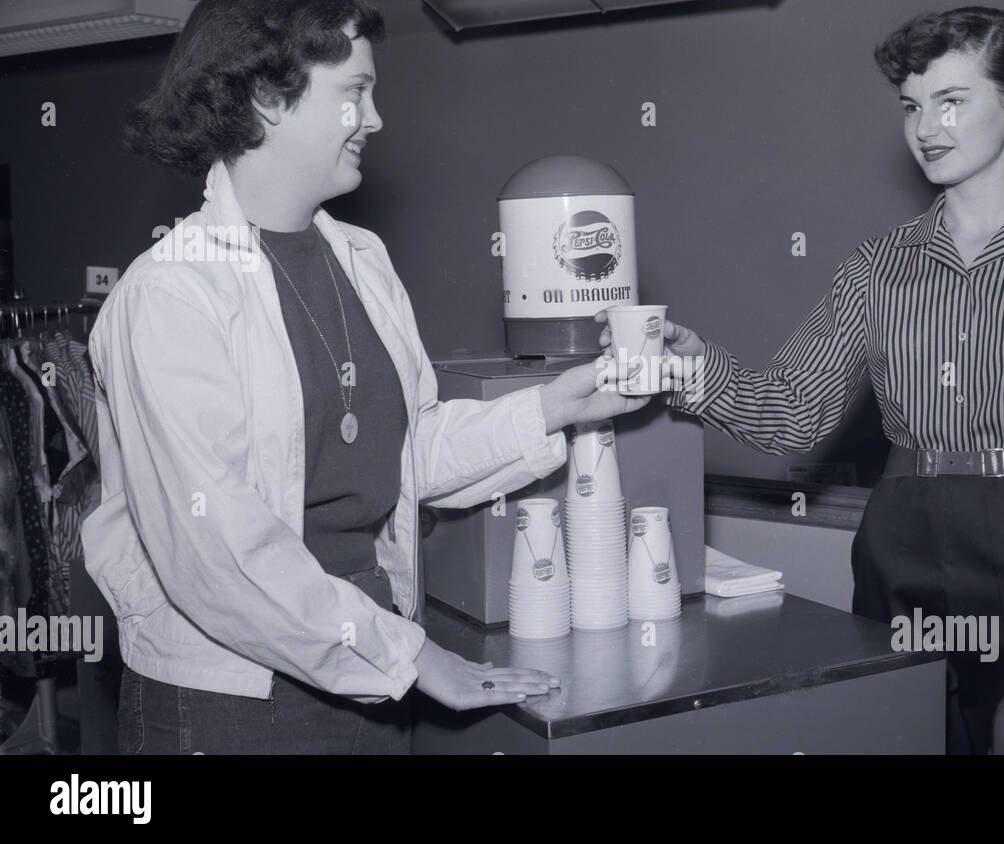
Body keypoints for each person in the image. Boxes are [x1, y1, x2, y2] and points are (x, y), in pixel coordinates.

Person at [605, 6, 1004, 754]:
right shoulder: (875, 268)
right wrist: (691, 368)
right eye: (914, 106)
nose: (928, 127)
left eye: (954, 101)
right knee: (897, 739)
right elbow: (791, 415)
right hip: (900, 532)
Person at [86, 0, 648, 754]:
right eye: (353, 92)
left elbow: (407, 458)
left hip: (369, 677)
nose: (375, 118)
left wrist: (553, 408)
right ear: (268, 100)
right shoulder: (169, 296)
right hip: (232, 700)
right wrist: (413, 656)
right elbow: (218, 549)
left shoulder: (363, 260)